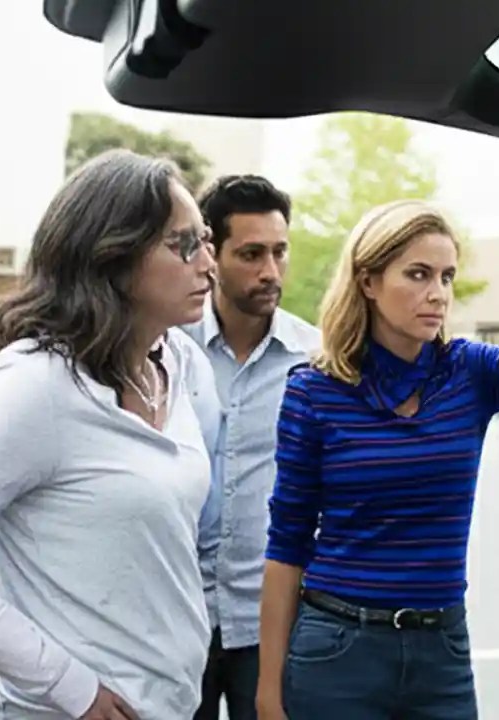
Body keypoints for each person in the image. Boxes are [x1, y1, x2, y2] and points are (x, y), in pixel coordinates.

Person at [256, 199, 499, 720]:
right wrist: (268, 691)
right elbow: (286, 544)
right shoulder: (313, 392)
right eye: (418, 274)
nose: (438, 293)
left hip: (440, 651)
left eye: (446, 277)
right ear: (368, 281)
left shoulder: (468, 371)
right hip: (338, 650)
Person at [0, 149, 217, 720]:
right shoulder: (35, 383)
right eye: (183, 244)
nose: (207, 263)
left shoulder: (180, 364)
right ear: (113, 254)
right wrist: (66, 685)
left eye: (205, 240)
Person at [180, 175, 320, 720]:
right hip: (176, 614)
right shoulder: (166, 348)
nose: (270, 271)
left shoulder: (314, 360)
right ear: (211, 254)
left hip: (270, 622)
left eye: (279, 252)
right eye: (251, 254)